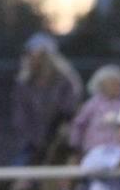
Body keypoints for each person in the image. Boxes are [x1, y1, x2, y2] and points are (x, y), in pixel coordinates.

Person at [11, 33, 81, 165]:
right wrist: (34, 139)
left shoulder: (64, 82)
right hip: (32, 144)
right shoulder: (24, 84)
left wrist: (54, 133)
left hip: (61, 142)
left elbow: (69, 110)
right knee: (19, 175)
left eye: (39, 55)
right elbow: (20, 116)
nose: (34, 60)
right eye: (32, 55)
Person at [69, 64, 120, 153]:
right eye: (113, 84)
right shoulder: (92, 104)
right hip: (93, 149)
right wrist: (75, 148)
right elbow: (78, 125)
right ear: (102, 85)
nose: (117, 87)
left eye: (119, 84)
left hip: (116, 150)